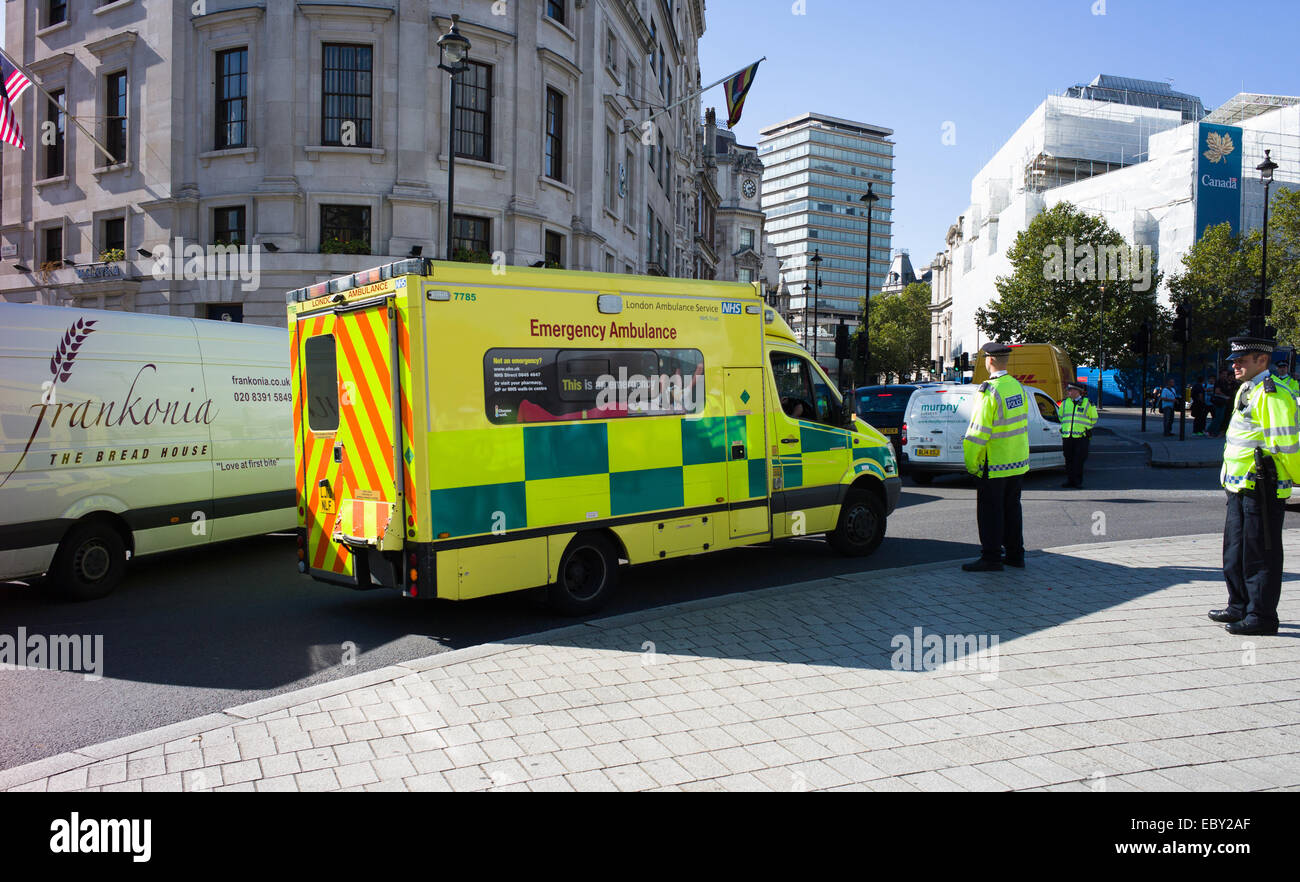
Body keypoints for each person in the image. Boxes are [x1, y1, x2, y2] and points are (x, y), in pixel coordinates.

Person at [1209, 336, 1300, 636]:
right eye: (1234, 361)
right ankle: (1239, 605)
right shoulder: (1248, 390)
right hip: (1238, 485)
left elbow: (1286, 444)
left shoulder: (1272, 395)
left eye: (1241, 360)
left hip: (1262, 486)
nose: (1235, 365)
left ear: (1262, 360)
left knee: (1261, 552)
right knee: (1235, 549)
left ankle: (1261, 616)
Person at [961, 342, 1030, 572]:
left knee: (990, 512)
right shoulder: (1017, 387)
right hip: (1017, 461)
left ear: (988, 360)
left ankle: (991, 557)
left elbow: (978, 432)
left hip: (995, 463)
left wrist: (972, 464)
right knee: (1012, 509)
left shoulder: (989, 391)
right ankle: (1015, 555)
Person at [1058, 382, 1097, 488]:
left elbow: (1093, 418)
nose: (1068, 392)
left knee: (1079, 460)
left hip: (1081, 436)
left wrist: (1086, 428)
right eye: (1068, 390)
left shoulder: (1087, 403)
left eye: (1070, 390)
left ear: (1077, 391)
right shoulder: (1065, 403)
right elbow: (1060, 416)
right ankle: (1070, 480)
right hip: (1067, 436)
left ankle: (1077, 481)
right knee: (1068, 459)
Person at [1208, 368, 1234, 438]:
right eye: (1223, 374)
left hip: (1223, 402)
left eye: (1226, 374)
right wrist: (1226, 396)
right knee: (1218, 417)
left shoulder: (1224, 382)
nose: (1225, 375)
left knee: (1221, 417)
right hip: (1219, 401)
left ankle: (1214, 431)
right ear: (1220, 374)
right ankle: (1210, 430)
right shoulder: (1219, 382)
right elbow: (1217, 391)